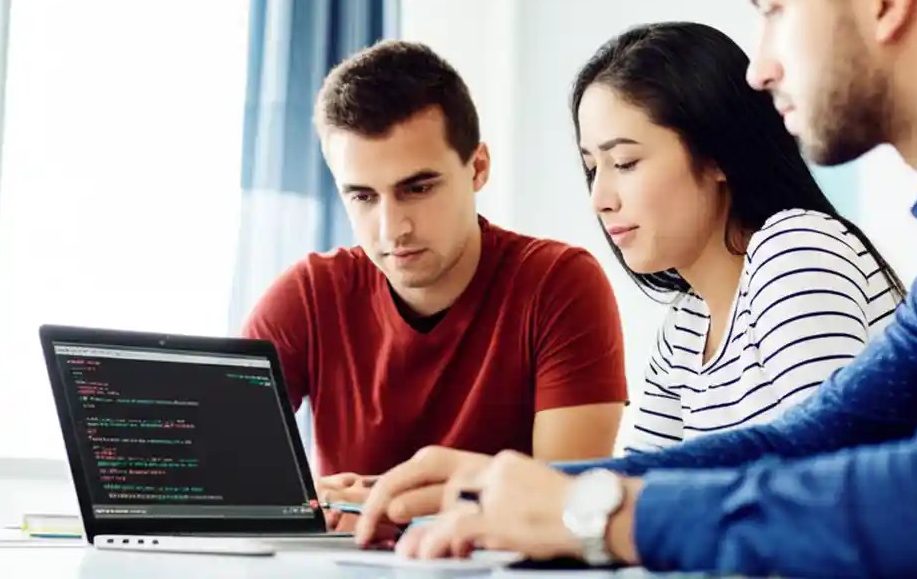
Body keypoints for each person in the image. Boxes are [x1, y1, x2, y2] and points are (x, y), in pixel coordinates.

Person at [354, 0, 917, 575]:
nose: (759, 67)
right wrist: (515, 491)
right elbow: (813, 436)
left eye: (775, 9)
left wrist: (598, 512)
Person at [241, 40, 629, 489]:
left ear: (478, 167)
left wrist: (387, 505)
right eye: (363, 196)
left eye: (418, 189)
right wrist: (308, 501)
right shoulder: (308, 296)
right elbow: (221, 470)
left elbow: (562, 503)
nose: (392, 229)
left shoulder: (559, 285)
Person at [573, 21, 903, 453]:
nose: (600, 200)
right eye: (592, 169)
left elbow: (830, 473)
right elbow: (638, 480)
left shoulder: (795, 252)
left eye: (625, 162)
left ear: (717, 156)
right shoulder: (687, 325)